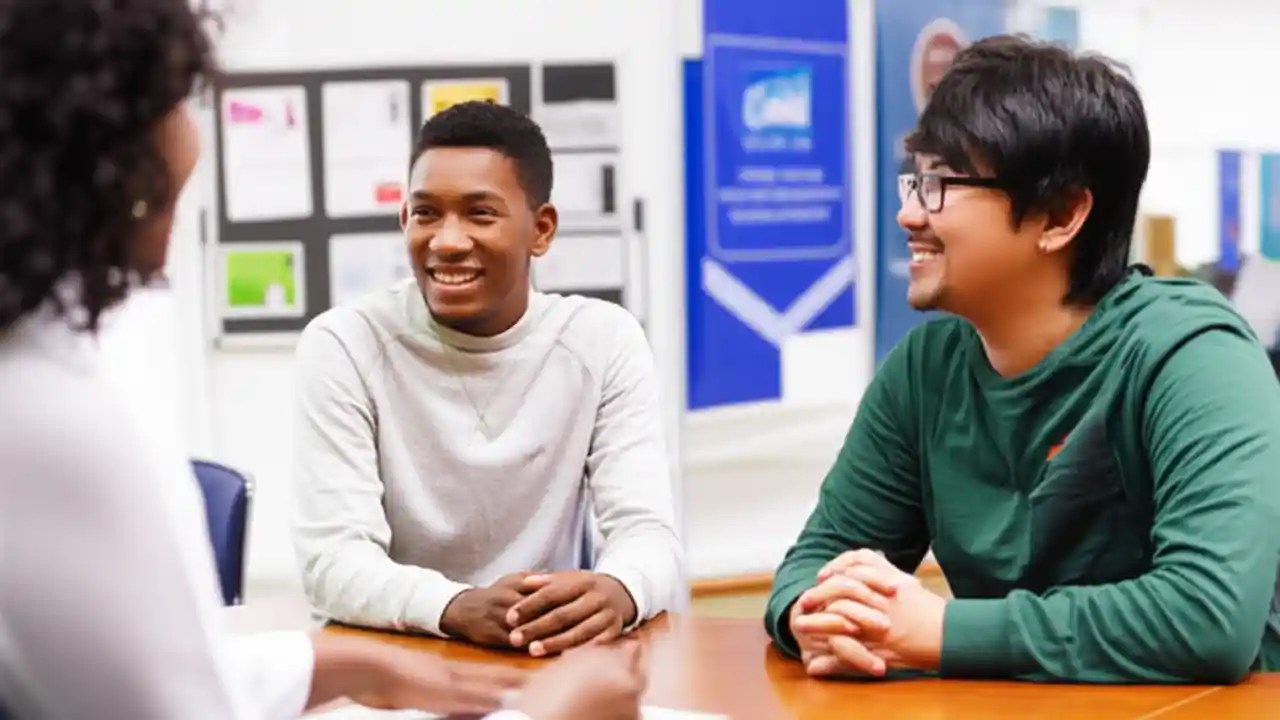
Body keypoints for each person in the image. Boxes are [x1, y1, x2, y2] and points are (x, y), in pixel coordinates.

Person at [0, 1, 645, 718]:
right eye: (179, 105)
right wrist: (551, 712)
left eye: (480, 212)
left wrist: (344, 663)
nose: (193, 140)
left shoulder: (35, 385)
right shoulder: (60, 426)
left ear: (540, 229)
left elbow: (145, 678)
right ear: (104, 151)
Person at [766, 35, 1280, 684]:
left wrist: (940, 631)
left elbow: (1208, 617)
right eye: (913, 180)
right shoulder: (924, 371)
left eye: (939, 184)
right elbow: (814, 563)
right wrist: (813, 616)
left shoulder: (1191, 356)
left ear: (1060, 215)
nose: (907, 213)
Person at [292, 100, 683, 658]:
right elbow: (332, 562)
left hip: (544, 656)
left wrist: (617, 590)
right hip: (394, 660)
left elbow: (650, 535)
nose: (447, 241)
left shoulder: (603, 341)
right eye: (426, 213)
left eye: (480, 213)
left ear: (540, 230)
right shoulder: (345, 344)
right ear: (405, 220)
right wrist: (456, 607)